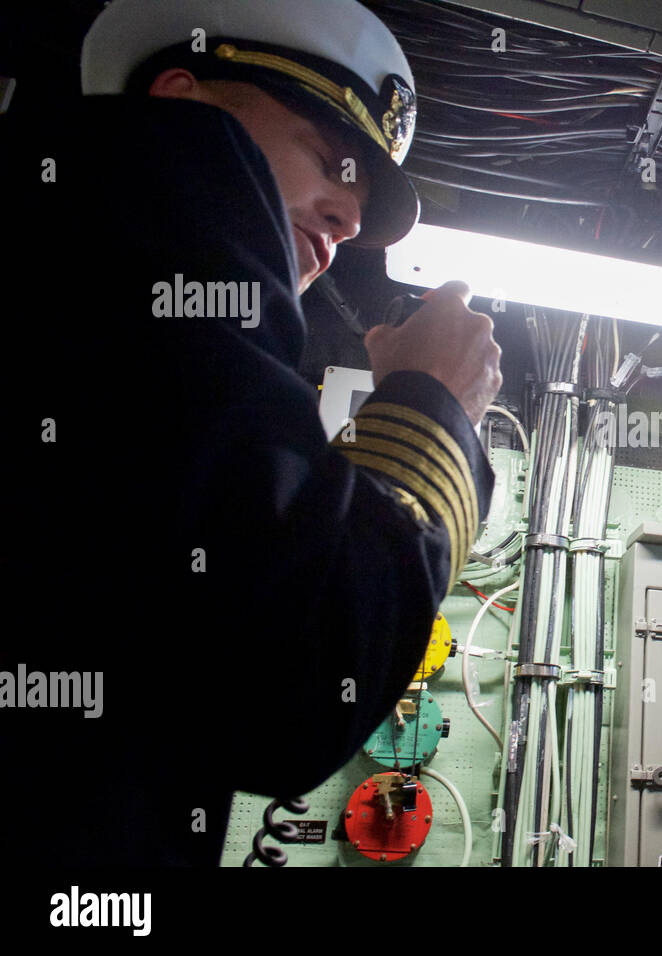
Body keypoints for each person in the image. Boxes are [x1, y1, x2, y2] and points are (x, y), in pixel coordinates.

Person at [0, 0, 502, 865]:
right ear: (181, 101)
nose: (346, 225)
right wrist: (431, 412)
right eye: (328, 157)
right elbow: (290, 681)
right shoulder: (150, 261)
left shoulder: (83, 273)